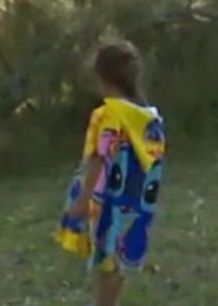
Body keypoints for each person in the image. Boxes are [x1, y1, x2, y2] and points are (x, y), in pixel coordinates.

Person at [55, 41, 166, 306]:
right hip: (134, 199)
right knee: (112, 256)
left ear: (101, 77)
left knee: (106, 258)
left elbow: (99, 158)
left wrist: (82, 201)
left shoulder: (107, 115)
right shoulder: (147, 117)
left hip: (105, 199)